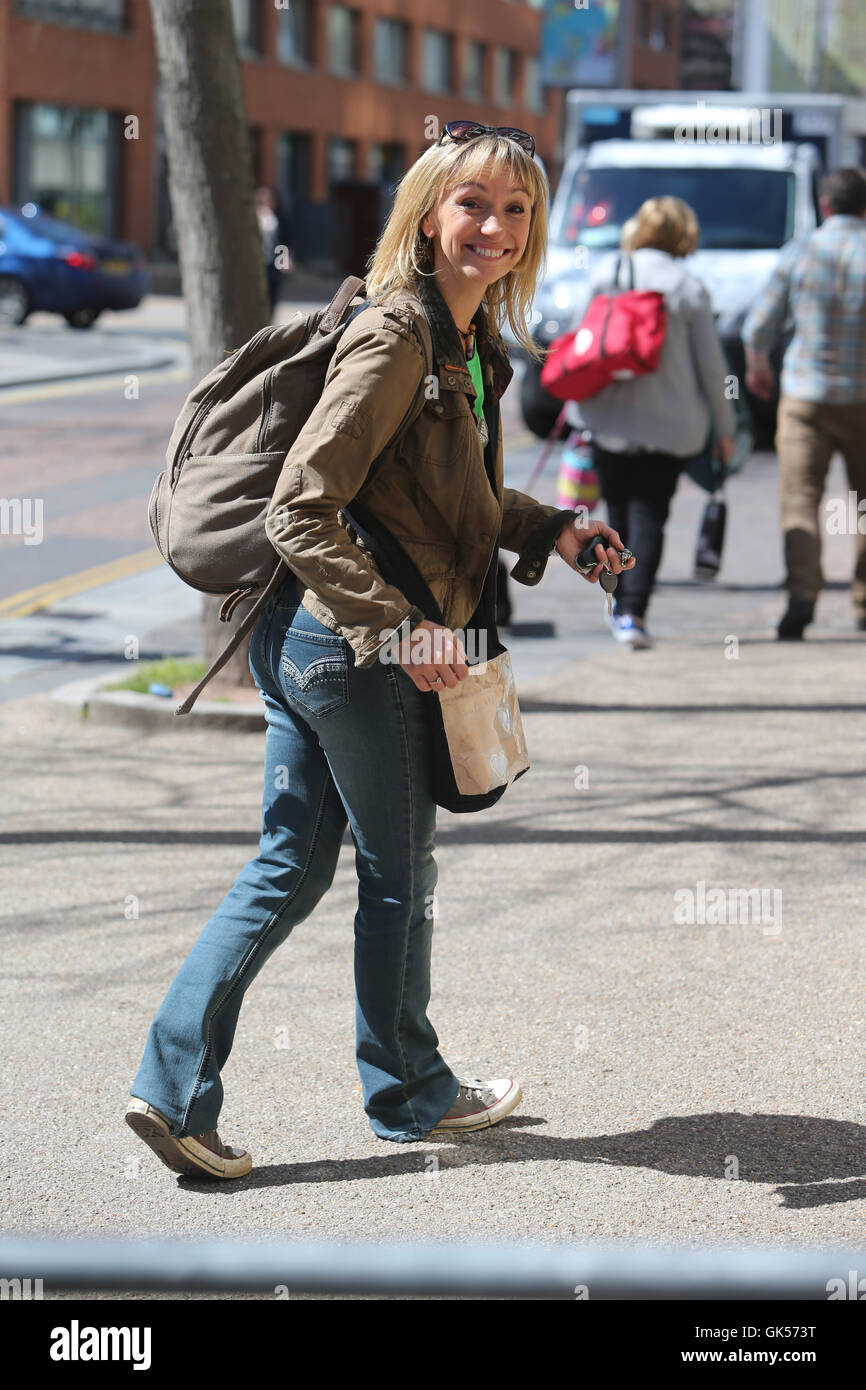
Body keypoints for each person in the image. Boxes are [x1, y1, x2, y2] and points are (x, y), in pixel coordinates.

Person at [125, 121, 634, 1180]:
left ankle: (169, 1091)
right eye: (471, 204)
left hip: (314, 646)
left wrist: (551, 531)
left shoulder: (463, 338)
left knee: (290, 866)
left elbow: (445, 499)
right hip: (351, 653)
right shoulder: (399, 336)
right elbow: (299, 508)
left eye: (515, 210)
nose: (493, 227)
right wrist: (399, 629)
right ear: (427, 211)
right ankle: (408, 1091)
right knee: (397, 877)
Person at [565, 196, 735, 648]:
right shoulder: (688, 287)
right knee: (650, 515)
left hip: (609, 418)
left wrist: (572, 404)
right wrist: (726, 428)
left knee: (616, 512)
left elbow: (583, 343)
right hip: (670, 423)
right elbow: (713, 369)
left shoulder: (607, 274)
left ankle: (620, 603)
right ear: (684, 235)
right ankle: (633, 615)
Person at [742, 166, 866, 640]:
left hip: (805, 397)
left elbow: (758, 327)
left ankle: (801, 599)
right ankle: (862, 603)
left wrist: (758, 367)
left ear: (826, 206)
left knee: (799, 501)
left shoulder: (801, 251)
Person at [256, 184, 294, 317]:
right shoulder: (255, 216)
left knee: (273, 292)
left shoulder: (279, 217)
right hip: (258, 260)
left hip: (275, 260)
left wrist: (286, 260)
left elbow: (285, 240)